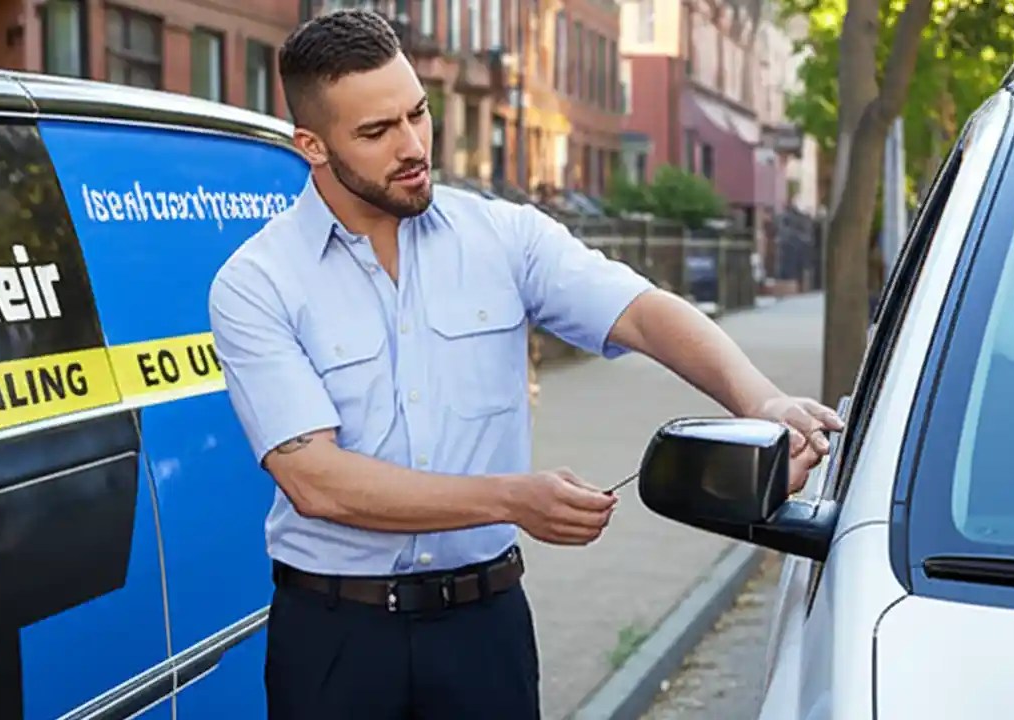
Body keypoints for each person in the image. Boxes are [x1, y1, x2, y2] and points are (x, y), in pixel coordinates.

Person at [208, 9, 843, 719]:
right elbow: (318, 483)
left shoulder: (501, 236)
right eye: (377, 131)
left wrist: (760, 401)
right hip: (334, 641)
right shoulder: (257, 282)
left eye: (418, 113)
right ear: (312, 146)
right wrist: (513, 499)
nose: (414, 144)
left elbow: (641, 310)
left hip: (485, 632)